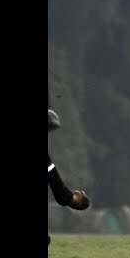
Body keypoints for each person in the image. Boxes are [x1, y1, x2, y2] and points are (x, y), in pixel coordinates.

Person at [48, 101, 90, 245]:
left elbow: (56, 182)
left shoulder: (65, 197)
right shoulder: (65, 197)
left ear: (79, 203)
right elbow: (55, 181)